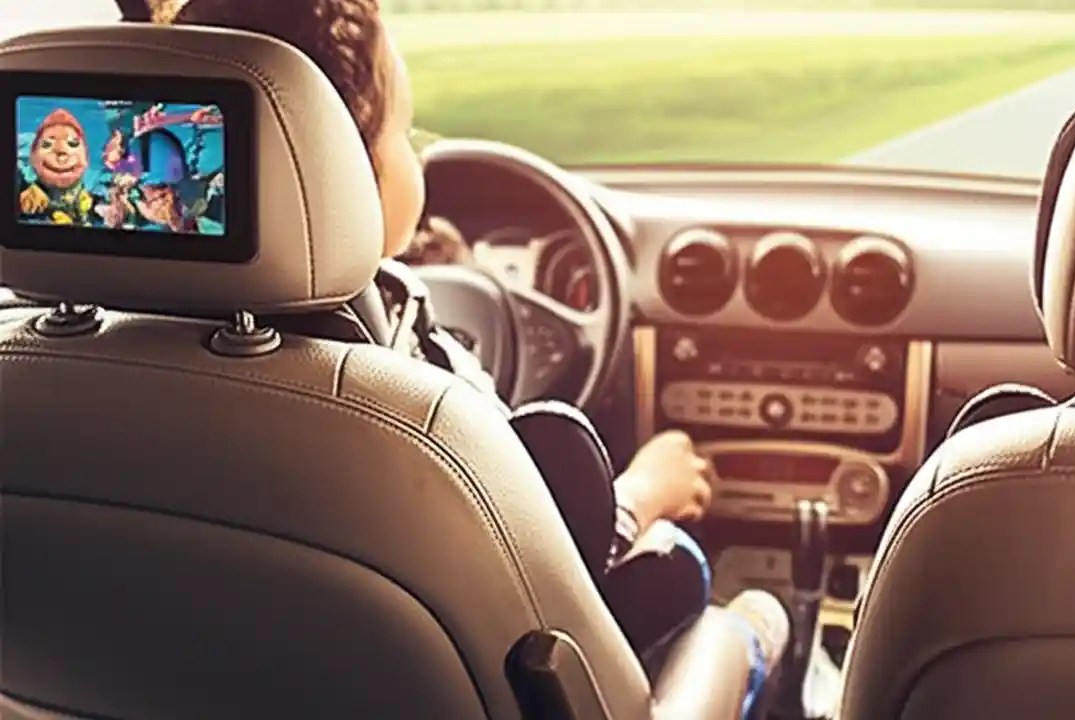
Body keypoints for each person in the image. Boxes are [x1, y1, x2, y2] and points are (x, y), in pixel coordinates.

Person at [162, 0, 787, 699]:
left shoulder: (62, 383)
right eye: (404, 132)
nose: (418, 151)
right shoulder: (412, 411)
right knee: (727, 609)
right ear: (340, 167)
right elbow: (541, 581)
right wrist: (645, 493)